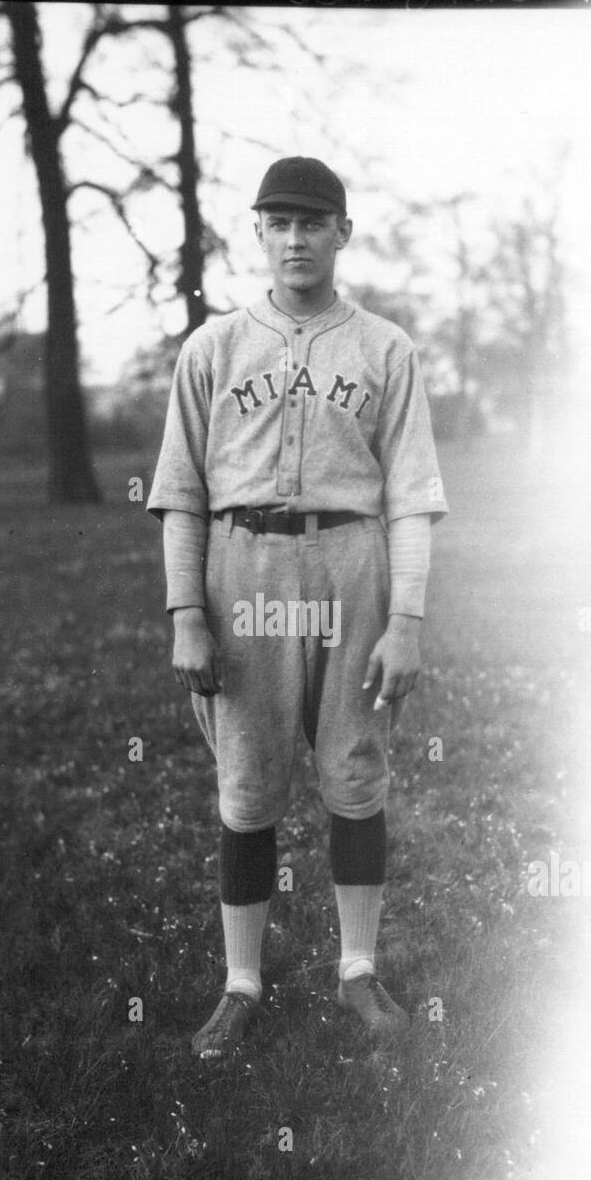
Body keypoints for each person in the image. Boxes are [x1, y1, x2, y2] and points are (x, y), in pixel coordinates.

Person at [147, 157, 448, 1058]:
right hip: (245, 571)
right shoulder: (212, 347)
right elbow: (180, 494)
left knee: (355, 771)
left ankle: (357, 970)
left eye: (312, 223)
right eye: (278, 222)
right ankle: (241, 983)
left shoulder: (386, 348)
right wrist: (184, 613)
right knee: (247, 783)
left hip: (352, 563)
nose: (295, 238)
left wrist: (407, 620)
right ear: (258, 233)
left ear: (342, 234)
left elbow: (414, 497)